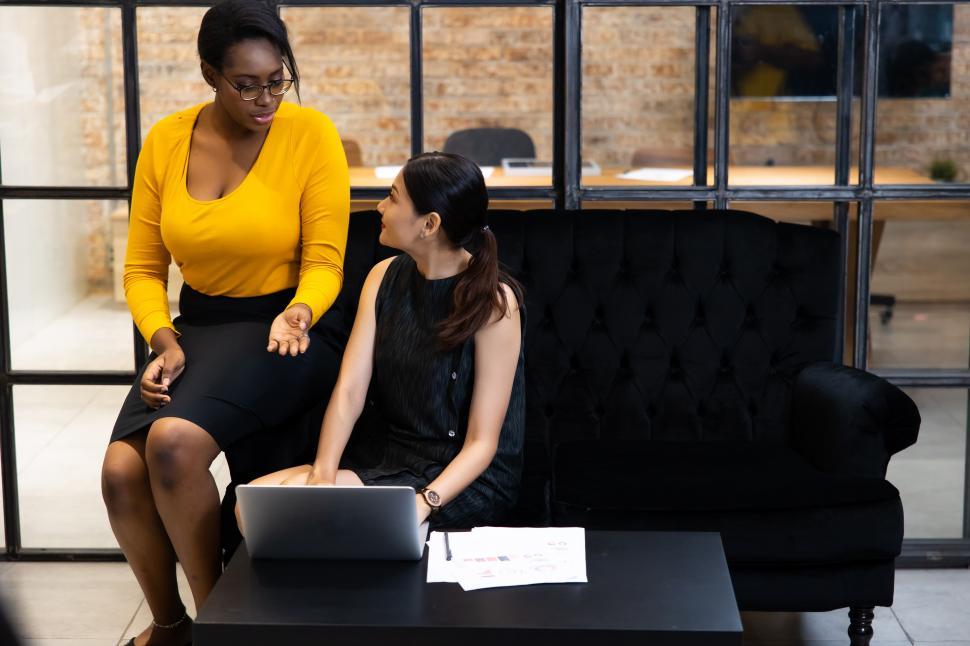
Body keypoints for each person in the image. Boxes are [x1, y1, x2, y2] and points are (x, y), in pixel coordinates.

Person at [100, 1, 349, 645]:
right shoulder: (166, 139)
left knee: (173, 445)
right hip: (199, 328)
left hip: (287, 328)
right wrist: (160, 338)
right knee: (120, 474)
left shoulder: (310, 133)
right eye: (247, 84)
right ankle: (170, 623)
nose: (265, 98)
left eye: (277, 80)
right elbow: (142, 268)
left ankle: (222, 627)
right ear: (210, 73)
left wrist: (300, 312)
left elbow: (326, 263)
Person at [243, 152, 525, 531]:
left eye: (392, 197)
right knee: (253, 509)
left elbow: (482, 443)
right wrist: (323, 473)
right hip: (390, 456)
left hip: (463, 479)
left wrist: (425, 502)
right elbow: (350, 390)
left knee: (300, 523)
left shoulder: (495, 304)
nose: (379, 206)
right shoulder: (382, 277)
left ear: (429, 224)